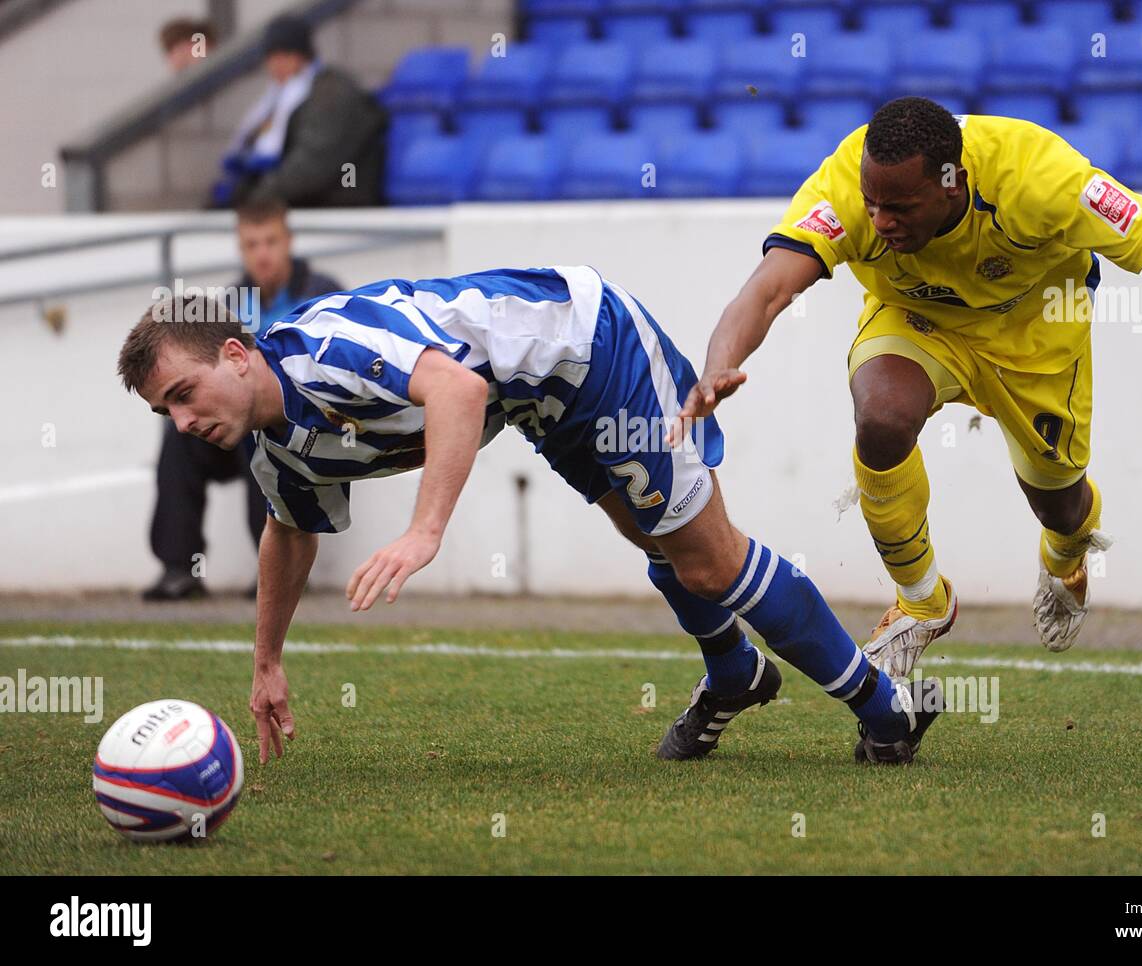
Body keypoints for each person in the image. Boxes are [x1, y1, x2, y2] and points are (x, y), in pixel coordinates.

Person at [117, 267, 944, 766]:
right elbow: (288, 530)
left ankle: (886, 710)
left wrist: (425, 531)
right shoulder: (273, 449)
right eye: (167, 414)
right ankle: (734, 674)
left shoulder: (328, 349)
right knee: (648, 535)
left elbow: (459, 389)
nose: (184, 422)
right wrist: (266, 661)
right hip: (538, 400)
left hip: (588, 344)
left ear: (234, 353)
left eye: (184, 395)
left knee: (706, 558)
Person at [672, 97, 1142, 677]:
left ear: (952, 183)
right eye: (872, 204)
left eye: (899, 207)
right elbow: (767, 289)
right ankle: (922, 602)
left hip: (1037, 336)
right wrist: (719, 365)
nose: (881, 221)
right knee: (882, 418)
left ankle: (1066, 557)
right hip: (917, 321)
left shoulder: (1037, 174)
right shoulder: (844, 187)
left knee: (1060, 505)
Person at [142, 199, 342, 601]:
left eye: (270, 241)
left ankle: (275, 572)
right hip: (245, 425)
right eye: (252, 244)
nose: (262, 253)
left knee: (260, 429)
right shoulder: (235, 303)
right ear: (241, 249)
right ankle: (179, 569)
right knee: (178, 438)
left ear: (288, 242)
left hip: (311, 429)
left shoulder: (321, 293)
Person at [212, 14, 386, 208]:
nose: (274, 67)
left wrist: (254, 202)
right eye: (270, 58)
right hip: (306, 202)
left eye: (282, 56)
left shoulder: (333, 94)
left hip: (339, 205)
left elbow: (312, 166)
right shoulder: (284, 97)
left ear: (301, 55)